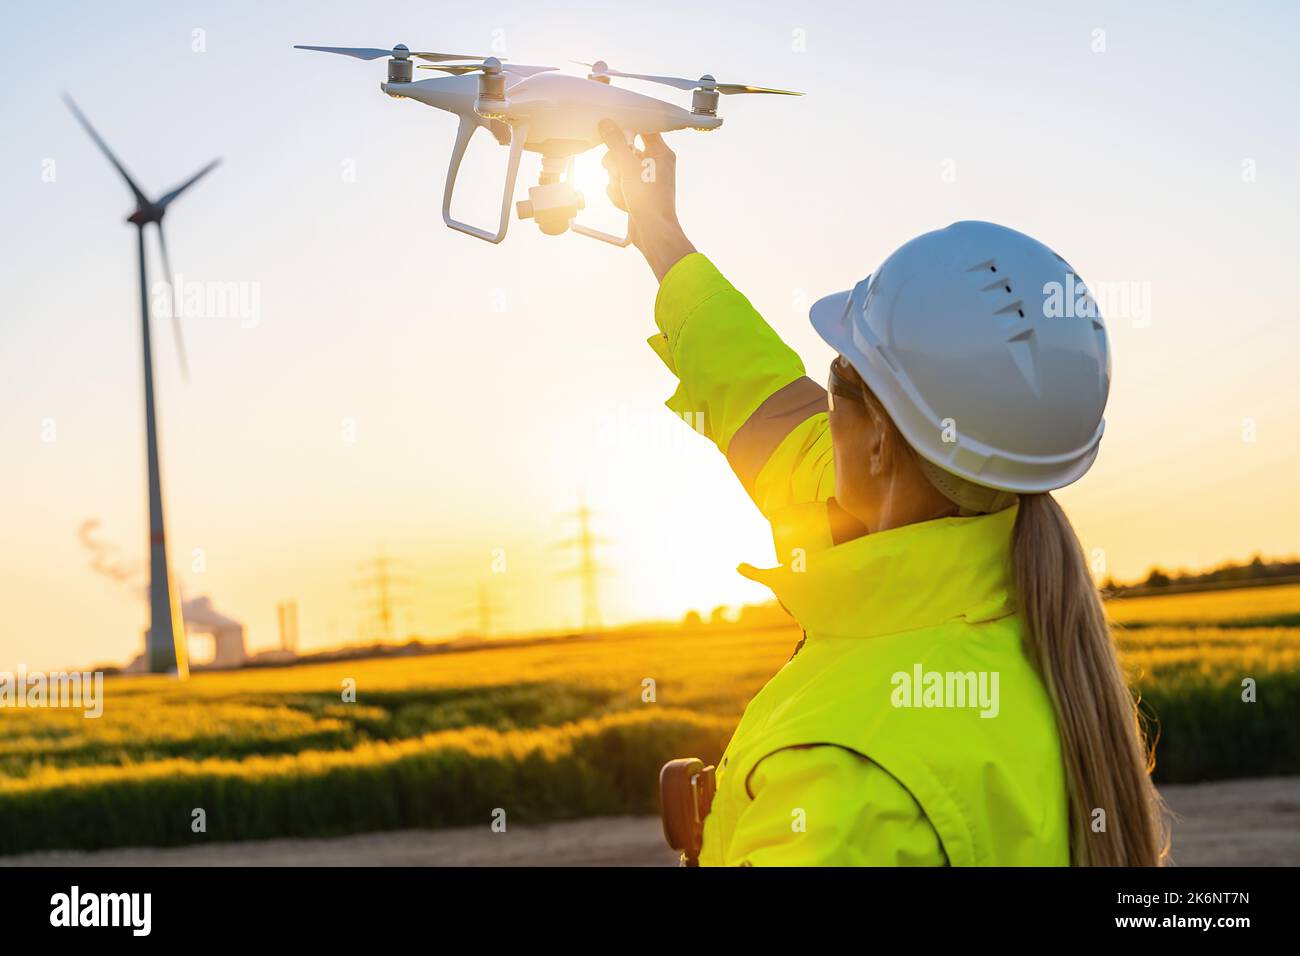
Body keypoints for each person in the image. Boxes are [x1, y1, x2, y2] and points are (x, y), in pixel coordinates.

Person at [597, 120, 1169, 866]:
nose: (816, 399)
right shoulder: (1023, 609)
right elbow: (757, 395)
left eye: (836, 374)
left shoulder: (843, 788)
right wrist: (659, 235)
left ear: (878, 442)